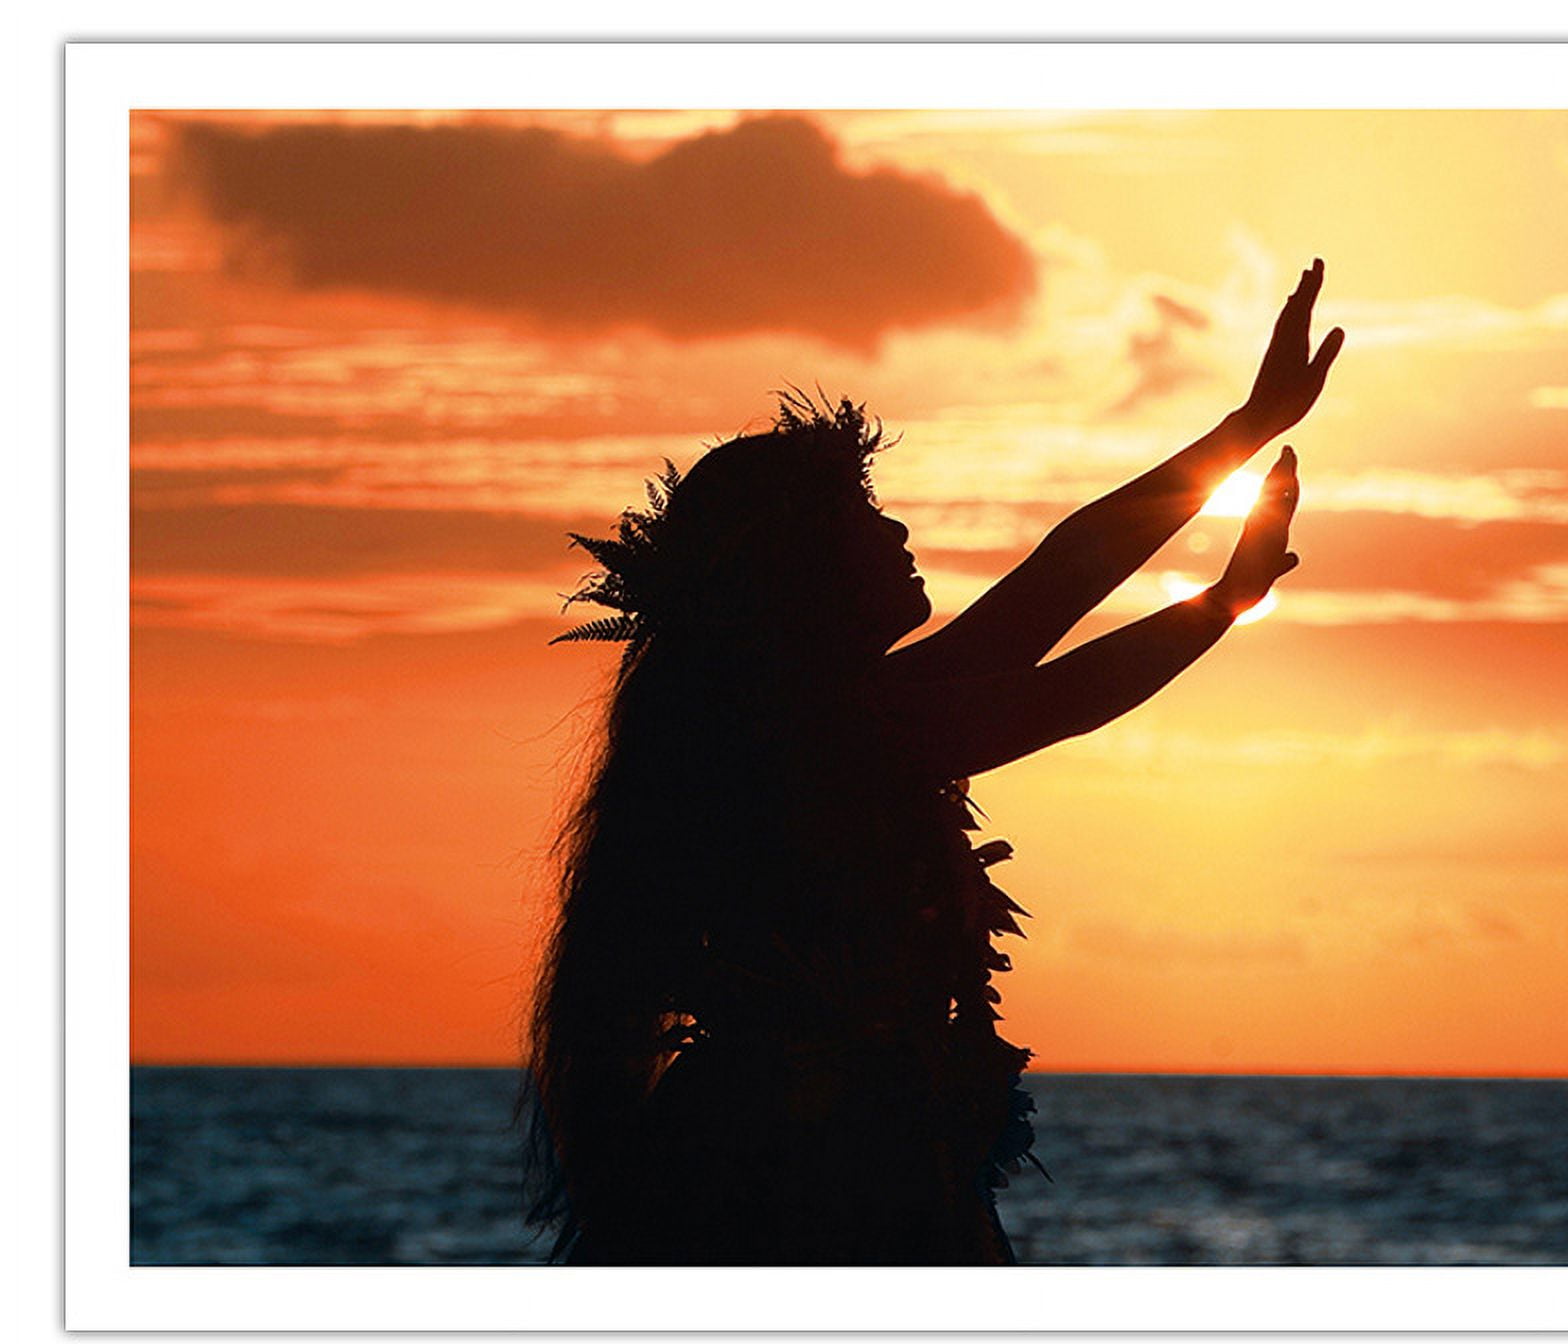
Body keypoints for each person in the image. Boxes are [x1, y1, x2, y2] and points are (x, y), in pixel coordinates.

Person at [524, 259, 1344, 1264]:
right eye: (864, 515)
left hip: (817, 1150)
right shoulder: (818, 738)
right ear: (805, 574)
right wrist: (1220, 601)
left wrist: (1248, 428)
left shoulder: (822, 717)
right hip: (813, 1177)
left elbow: (1054, 582)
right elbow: (1060, 693)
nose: (899, 527)